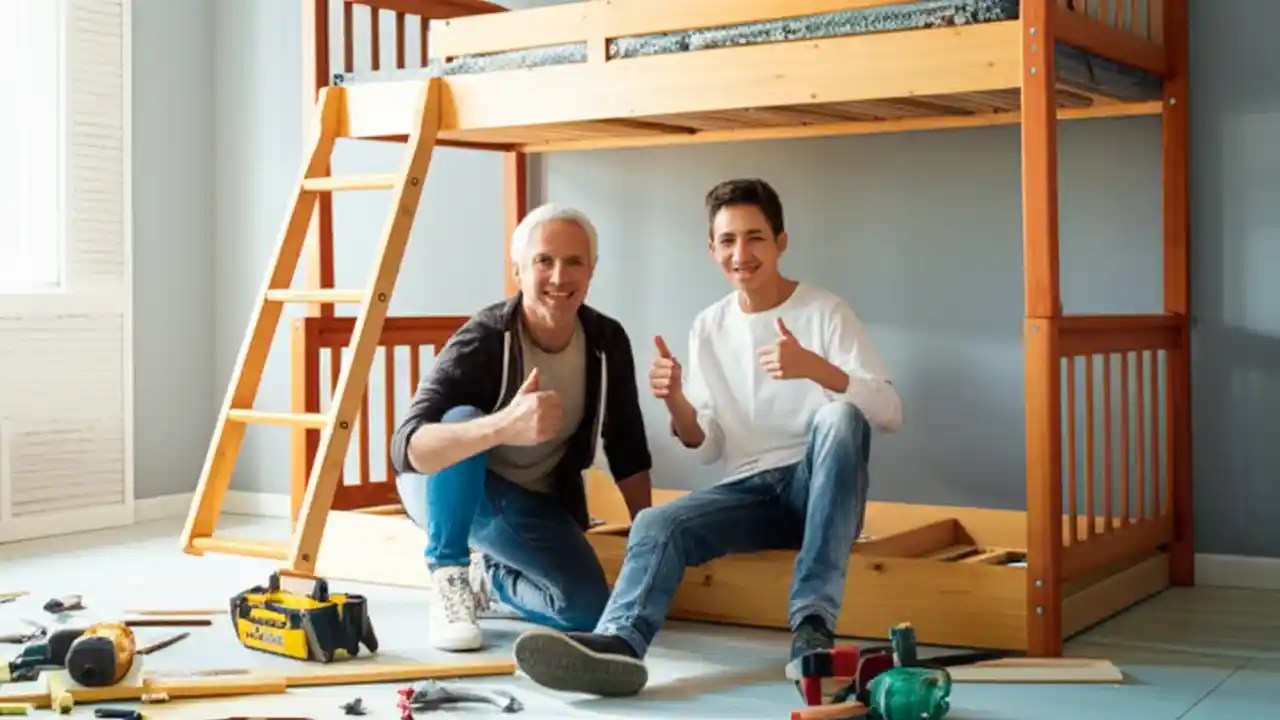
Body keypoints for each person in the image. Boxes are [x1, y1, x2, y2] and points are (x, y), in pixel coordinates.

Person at [511, 178, 903, 696]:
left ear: (780, 242)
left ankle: (812, 629)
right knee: (655, 522)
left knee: (839, 419)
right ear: (712, 249)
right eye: (728, 240)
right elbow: (708, 444)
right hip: (752, 492)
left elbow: (889, 411)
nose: (741, 253)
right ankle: (618, 646)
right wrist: (675, 398)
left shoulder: (825, 311)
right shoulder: (709, 326)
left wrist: (817, 369)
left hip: (820, 488)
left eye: (755, 237)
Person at [390, 202, 654, 653]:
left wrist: (646, 538)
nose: (558, 276)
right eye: (543, 261)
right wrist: (502, 427)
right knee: (463, 420)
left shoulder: (608, 341)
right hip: (452, 489)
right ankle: (449, 571)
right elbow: (408, 449)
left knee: (588, 610)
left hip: (533, 502)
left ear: (591, 271)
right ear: (518, 270)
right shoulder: (485, 338)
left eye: (574, 262)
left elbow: (626, 444)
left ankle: (488, 579)